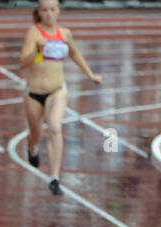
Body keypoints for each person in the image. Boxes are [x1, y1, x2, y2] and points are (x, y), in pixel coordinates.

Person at [18, 0, 102, 196]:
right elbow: (23, 63)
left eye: (52, 10)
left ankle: (54, 178)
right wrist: (37, 50)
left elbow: (74, 52)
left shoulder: (65, 34)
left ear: (58, 11)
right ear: (39, 12)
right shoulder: (34, 33)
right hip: (33, 93)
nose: (49, 14)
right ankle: (32, 148)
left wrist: (90, 74)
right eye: (45, 10)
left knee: (55, 127)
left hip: (57, 90)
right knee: (36, 134)